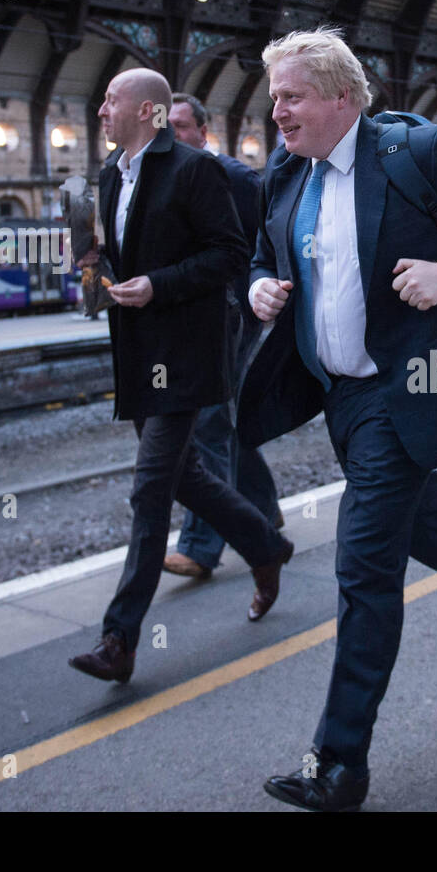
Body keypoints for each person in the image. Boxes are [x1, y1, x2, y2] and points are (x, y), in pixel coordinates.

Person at [241, 26, 437, 811]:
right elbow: (263, 254)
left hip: (411, 383)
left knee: (364, 563)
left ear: (342, 97)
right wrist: (261, 289)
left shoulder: (421, 152)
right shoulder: (285, 173)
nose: (279, 111)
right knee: (419, 525)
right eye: (275, 97)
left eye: (292, 95)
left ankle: (340, 763)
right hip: (341, 395)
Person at [67, 68, 294, 684]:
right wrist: (97, 263)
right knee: (186, 475)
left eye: (111, 100)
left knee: (149, 488)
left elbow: (228, 255)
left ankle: (120, 639)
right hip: (139, 350)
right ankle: (266, 545)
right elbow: (127, 254)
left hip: (187, 354)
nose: (102, 110)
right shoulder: (112, 173)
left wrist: (158, 285)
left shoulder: (195, 171)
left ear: (147, 112)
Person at [163, 92, 285, 619]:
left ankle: (200, 545)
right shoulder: (160, 179)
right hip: (192, 318)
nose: (169, 136)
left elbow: (269, 234)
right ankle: (263, 512)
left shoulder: (234, 177)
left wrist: (263, 292)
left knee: (208, 418)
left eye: (178, 126)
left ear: (202, 132)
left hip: (234, 312)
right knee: (222, 421)